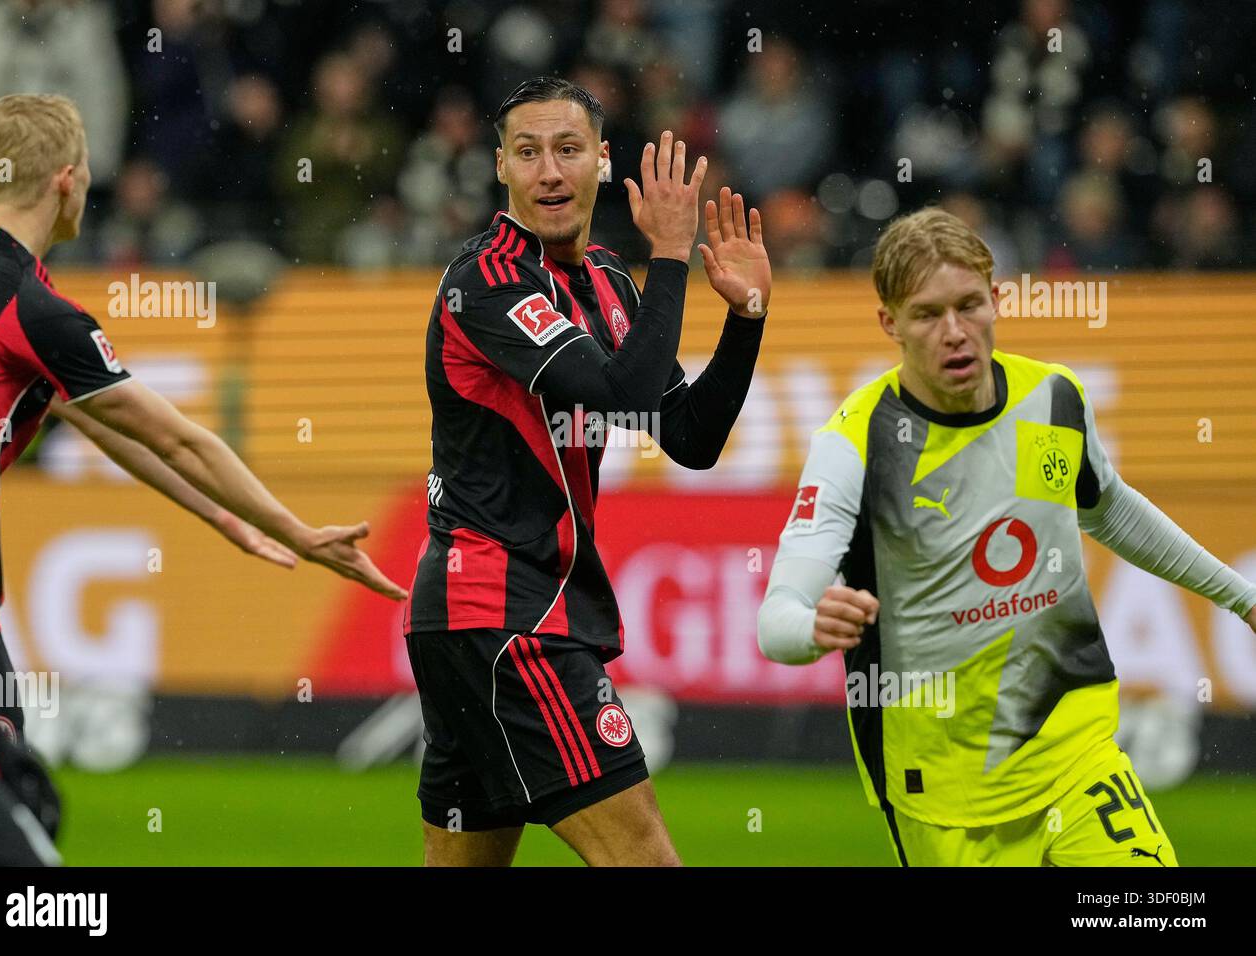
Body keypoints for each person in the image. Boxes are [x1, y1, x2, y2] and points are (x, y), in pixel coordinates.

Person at [0, 93, 405, 864]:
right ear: (67, 181)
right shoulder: (34, 311)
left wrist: (219, 518)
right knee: (18, 853)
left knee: (24, 800)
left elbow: (92, 421)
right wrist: (292, 528)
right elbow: (177, 437)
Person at [757, 206, 1256, 867]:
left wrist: (1241, 598)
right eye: (928, 314)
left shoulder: (1051, 400)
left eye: (970, 305)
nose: (955, 332)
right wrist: (813, 625)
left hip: (1074, 751)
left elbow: (1109, 511)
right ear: (890, 324)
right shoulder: (856, 446)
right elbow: (776, 619)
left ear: (997, 300)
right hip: (939, 786)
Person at [404, 76, 771, 866]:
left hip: (481, 619)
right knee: (645, 860)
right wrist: (670, 255)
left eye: (569, 150)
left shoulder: (605, 280)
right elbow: (618, 392)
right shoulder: (488, 281)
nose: (549, 173)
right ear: (499, 165)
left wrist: (745, 320)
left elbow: (688, 434)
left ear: (602, 162)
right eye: (528, 153)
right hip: (509, 618)